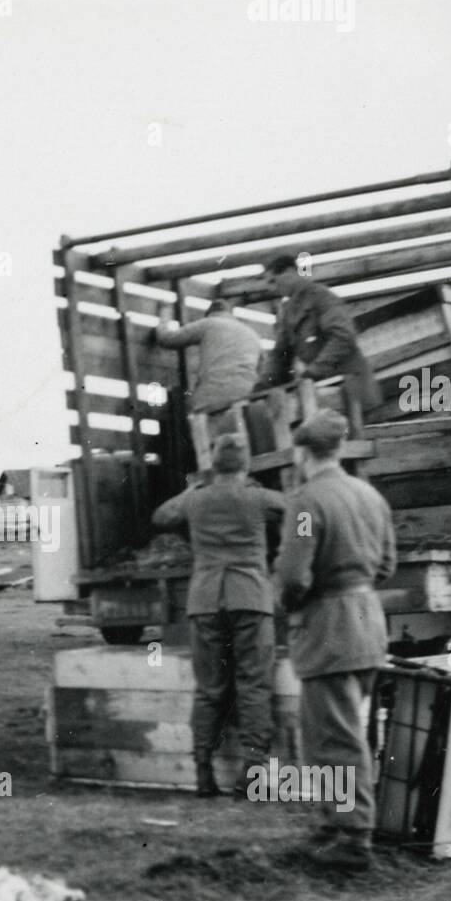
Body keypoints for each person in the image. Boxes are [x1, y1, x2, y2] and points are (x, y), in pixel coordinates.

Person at [274, 409, 396, 871]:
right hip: (367, 621)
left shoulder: (307, 502)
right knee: (343, 731)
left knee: (334, 738)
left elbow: (292, 574)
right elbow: (386, 564)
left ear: (303, 454)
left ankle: (352, 836)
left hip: (328, 628)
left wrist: (290, 602)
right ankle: (334, 824)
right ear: (339, 450)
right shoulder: (370, 496)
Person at [152, 434, 286, 798]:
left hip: (206, 599)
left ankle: (202, 772)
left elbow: (161, 516)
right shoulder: (258, 497)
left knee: (209, 688)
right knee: (254, 684)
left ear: (213, 464)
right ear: (247, 464)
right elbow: (298, 510)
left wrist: (193, 496)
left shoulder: (196, 498)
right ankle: (252, 775)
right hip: (251, 596)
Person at [258, 253, 382, 414]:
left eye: (274, 281)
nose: (273, 288)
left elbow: (343, 336)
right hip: (329, 393)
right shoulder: (287, 311)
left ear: (290, 271)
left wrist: (314, 371)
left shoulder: (321, 297)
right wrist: (265, 383)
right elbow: (281, 353)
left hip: (352, 388)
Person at [155, 292, 262, 471]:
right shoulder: (252, 334)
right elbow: (262, 368)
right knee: (240, 443)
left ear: (210, 314)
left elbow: (167, 339)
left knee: (204, 444)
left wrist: (164, 314)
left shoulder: (209, 324)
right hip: (246, 397)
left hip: (212, 398)